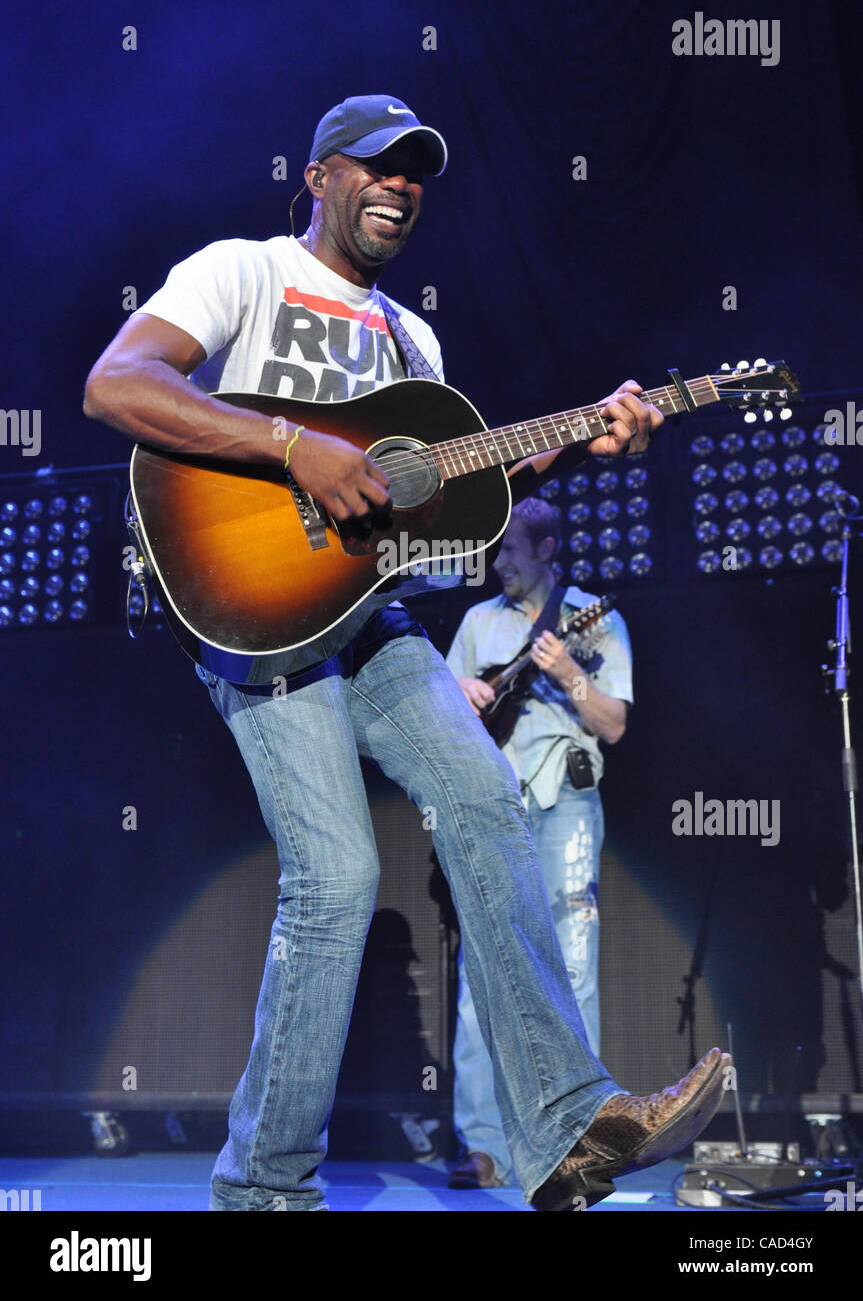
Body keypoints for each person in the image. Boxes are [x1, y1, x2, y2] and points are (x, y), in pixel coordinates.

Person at [83, 93, 729, 1212]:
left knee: (487, 803)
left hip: (371, 620)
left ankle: (571, 1124)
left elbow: (445, 511)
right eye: (375, 165)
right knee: (337, 880)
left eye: (414, 173)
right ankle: (264, 1191)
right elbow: (116, 386)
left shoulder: (410, 342)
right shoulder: (242, 271)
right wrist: (294, 446)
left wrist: (582, 440)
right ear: (320, 176)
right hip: (254, 617)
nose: (397, 185)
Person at [446, 496, 632, 1189]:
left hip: (567, 803)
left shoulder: (593, 616)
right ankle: (484, 1143)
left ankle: (580, 1133)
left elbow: (612, 723)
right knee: (480, 975)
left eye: (510, 552)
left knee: (571, 967)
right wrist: (457, 693)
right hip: (493, 806)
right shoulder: (475, 624)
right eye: (495, 553)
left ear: (546, 549)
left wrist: (565, 674)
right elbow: (436, 714)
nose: (498, 565)